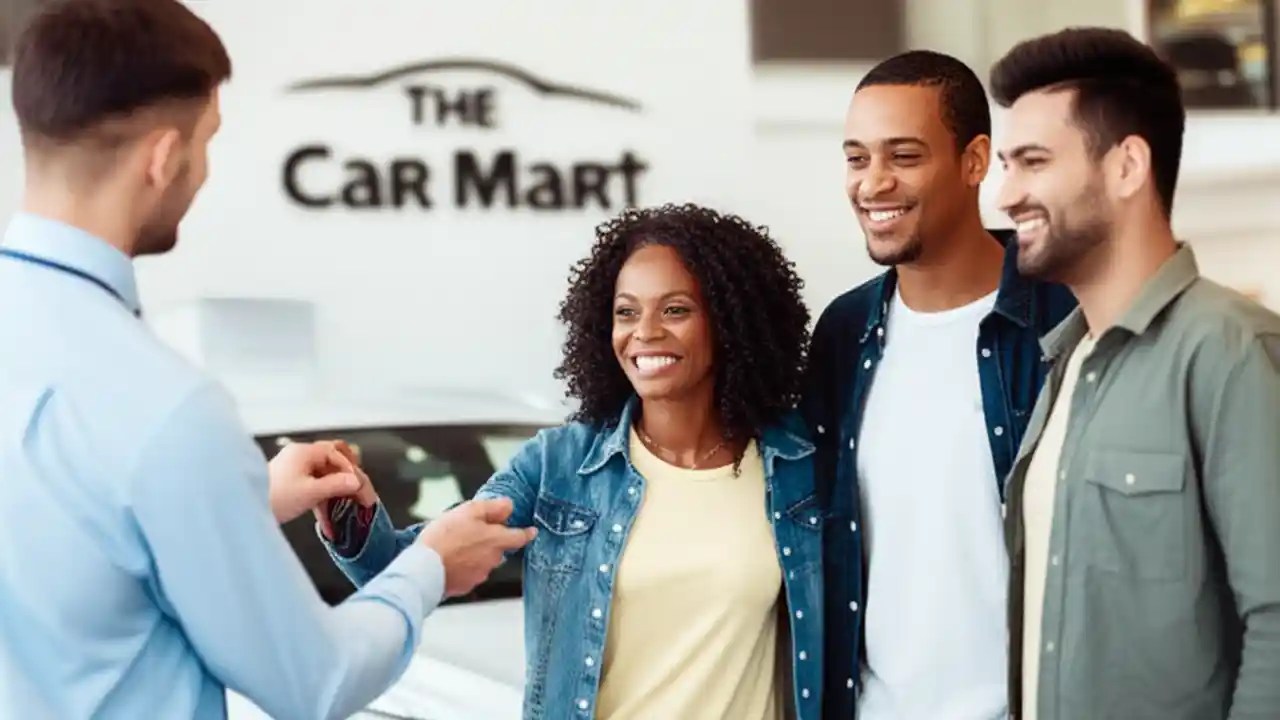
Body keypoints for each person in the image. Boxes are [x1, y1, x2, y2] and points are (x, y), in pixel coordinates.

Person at [0, 2, 533, 718]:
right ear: (163, 158)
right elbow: (315, 685)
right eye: (206, 141)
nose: (203, 171)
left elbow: (65, 550)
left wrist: (241, 501)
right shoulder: (164, 406)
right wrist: (430, 563)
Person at [301, 203, 824, 719]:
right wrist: (354, 519)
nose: (644, 331)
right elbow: (416, 564)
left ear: (731, 322)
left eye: (675, 309)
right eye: (626, 311)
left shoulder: (795, 463)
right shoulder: (559, 466)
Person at [990, 27, 1280, 720]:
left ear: (1126, 167)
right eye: (1006, 164)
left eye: (1032, 162)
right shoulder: (1066, 362)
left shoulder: (1232, 351)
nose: (1006, 194)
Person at [803, 50, 1077, 719]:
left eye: (903, 155)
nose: (873, 183)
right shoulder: (842, 333)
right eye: (856, 157)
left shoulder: (1065, 315)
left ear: (975, 160)